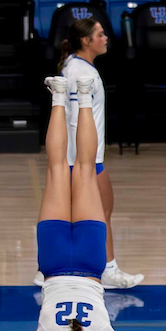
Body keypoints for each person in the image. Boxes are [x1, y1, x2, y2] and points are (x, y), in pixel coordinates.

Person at [13, 76, 134, 331]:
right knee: (56, 169)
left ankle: (82, 95)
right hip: (53, 261)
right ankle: (57, 94)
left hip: (90, 261)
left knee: (83, 168)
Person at [43, 19, 143, 289]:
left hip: (86, 160)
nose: (106, 38)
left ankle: (60, 270)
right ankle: (107, 270)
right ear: (86, 41)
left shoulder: (79, 67)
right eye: (100, 34)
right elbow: (73, 120)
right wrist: (79, 165)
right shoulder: (78, 70)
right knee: (99, 213)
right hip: (84, 161)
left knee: (94, 213)